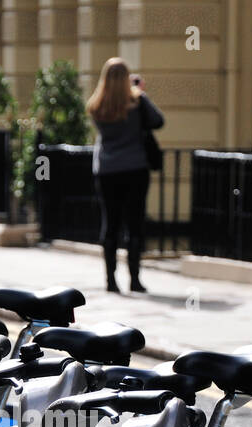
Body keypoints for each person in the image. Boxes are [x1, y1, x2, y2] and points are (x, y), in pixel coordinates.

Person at [87, 57, 163, 294]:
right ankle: (135, 279)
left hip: (107, 169)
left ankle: (110, 280)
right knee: (135, 224)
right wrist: (139, 92)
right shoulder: (137, 102)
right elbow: (158, 121)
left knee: (110, 223)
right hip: (135, 168)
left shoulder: (97, 106)